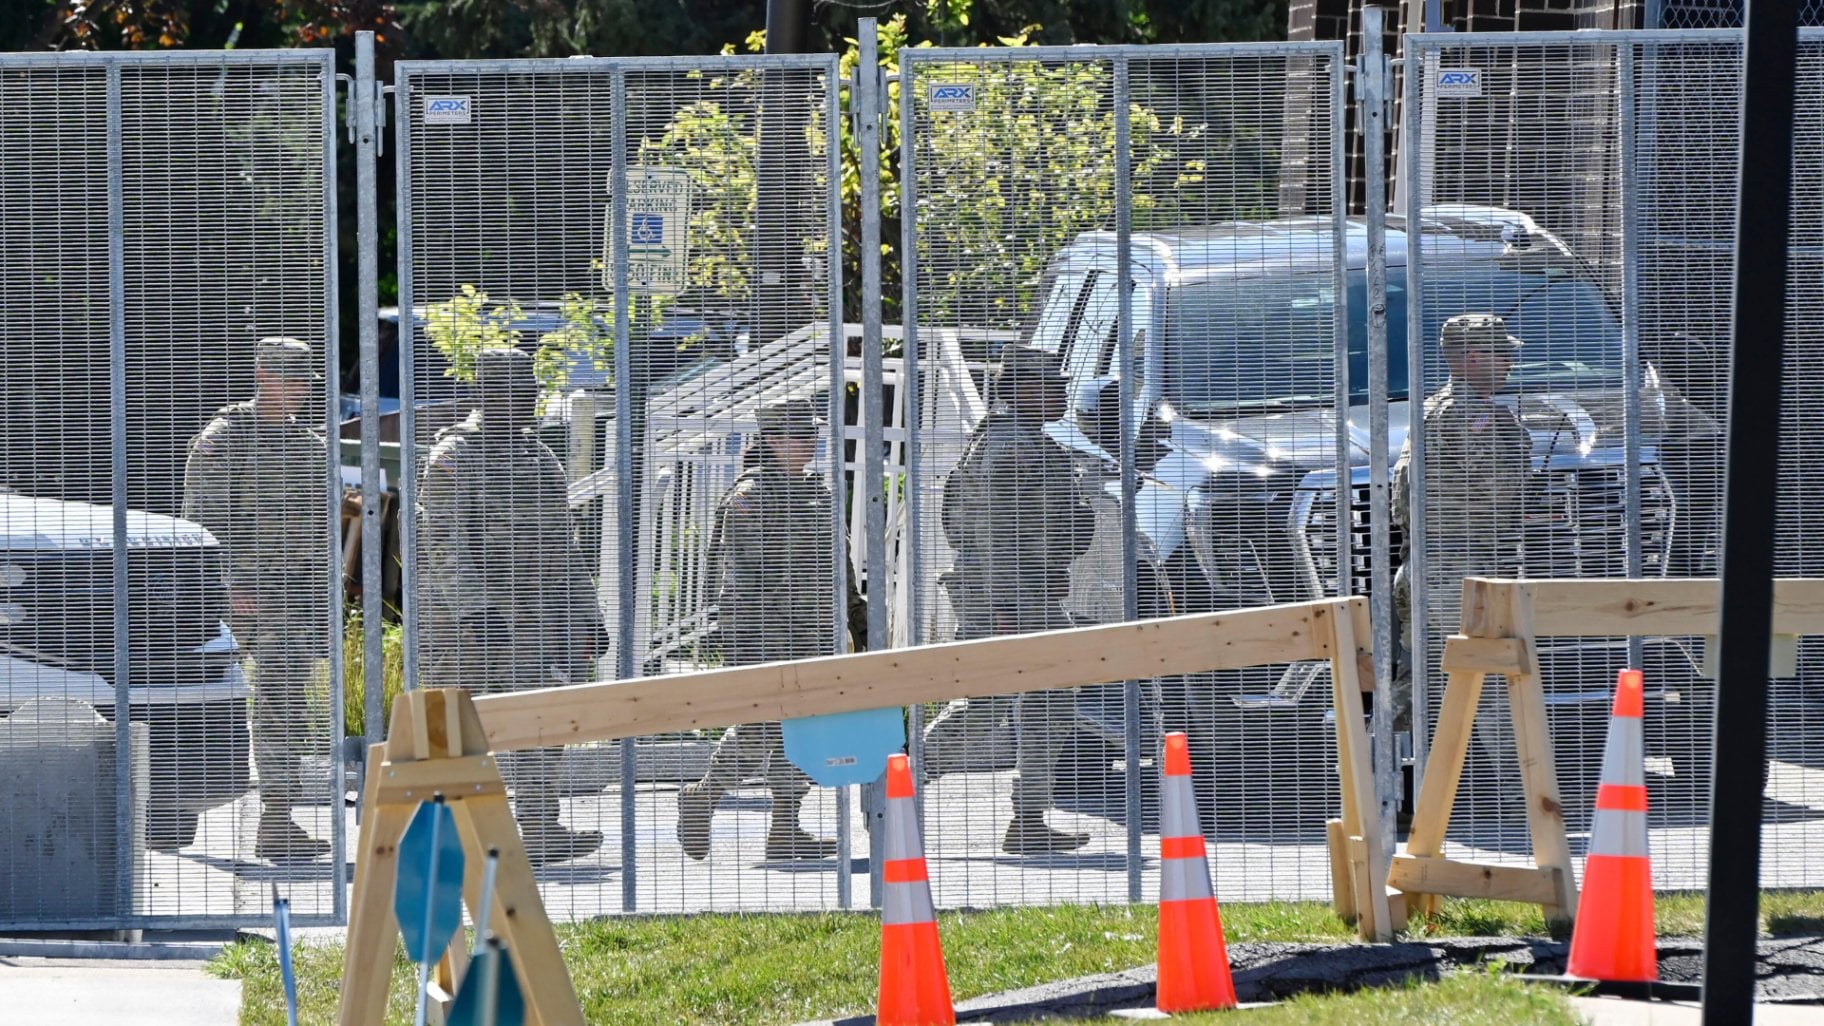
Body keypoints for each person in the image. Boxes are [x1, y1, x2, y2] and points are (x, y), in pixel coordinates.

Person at [418, 347, 606, 865]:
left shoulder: (538, 455)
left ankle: (540, 828)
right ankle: (441, 841)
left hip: (535, 618)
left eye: (530, 393)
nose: (527, 403)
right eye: (515, 394)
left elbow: (565, 543)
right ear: (486, 394)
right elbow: (441, 540)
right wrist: (475, 611)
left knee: (543, 719)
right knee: (456, 728)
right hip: (464, 625)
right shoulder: (455, 455)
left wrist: (587, 613)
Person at [922, 344, 1099, 855]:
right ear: (1022, 390)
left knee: (1049, 698)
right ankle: (898, 784)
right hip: (1006, 594)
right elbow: (993, 532)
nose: (1061, 395)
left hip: (1027, 590)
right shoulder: (1010, 447)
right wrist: (1003, 605)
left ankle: (1028, 819)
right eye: (1051, 387)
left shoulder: (1026, 441)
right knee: (989, 701)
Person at [676, 397, 853, 861]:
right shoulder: (751, 496)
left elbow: (841, 562)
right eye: (799, 435)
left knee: (805, 729)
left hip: (813, 630)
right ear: (772, 441)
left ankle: (786, 828)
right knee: (763, 726)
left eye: (812, 434)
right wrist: (747, 639)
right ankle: (703, 796)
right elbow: (738, 577)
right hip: (765, 631)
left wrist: (853, 613)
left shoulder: (816, 491)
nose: (809, 443)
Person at [182, 338, 330, 861]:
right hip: (235, 595)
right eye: (290, 379)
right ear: (263, 376)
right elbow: (200, 520)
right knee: (195, 704)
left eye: (305, 381)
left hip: (289, 598)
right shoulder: (225, 439)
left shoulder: (309, 445)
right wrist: (225, 587)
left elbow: (320, 529)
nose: (300, 390)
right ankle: (165, 806)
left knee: (283, 705)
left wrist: (319, 596)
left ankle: (277, 819)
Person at [1391, 313, 1535, 750]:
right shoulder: (1468, 413)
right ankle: (1516, 786)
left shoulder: (1433, 407)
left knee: (1419, 690)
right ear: (1473, 357)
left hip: (1429, 568)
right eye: (1502, 354)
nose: (1509, 364)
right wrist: (1518, 442)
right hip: (1459, 570)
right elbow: (1504, 487)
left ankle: (1396, 778)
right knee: (1488, 684)